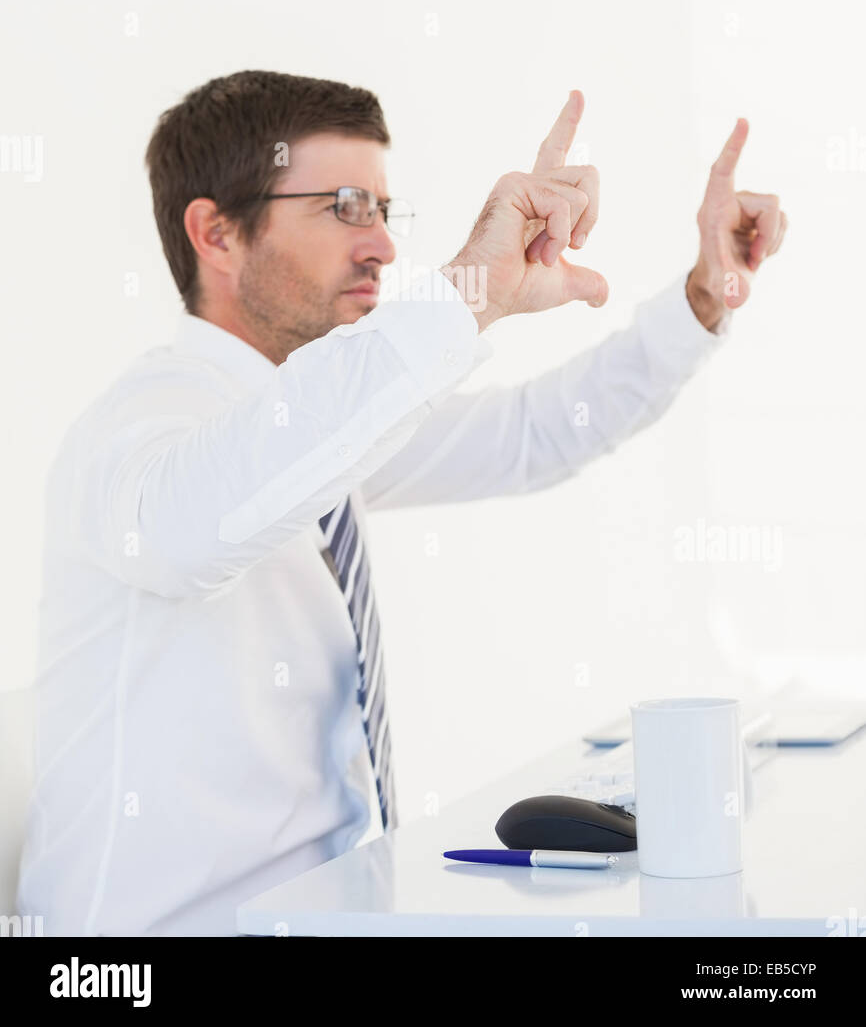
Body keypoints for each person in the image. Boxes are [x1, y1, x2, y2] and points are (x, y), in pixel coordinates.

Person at [16, 71, 787, 936]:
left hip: (327, 921)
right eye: (344, 205)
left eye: (385, 210)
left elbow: (534, 434)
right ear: (216, 233)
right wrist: (469, 293)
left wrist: (700, 299)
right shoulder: (142, 428)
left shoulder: (318, 425)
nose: (381, 244)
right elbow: (194, 525)